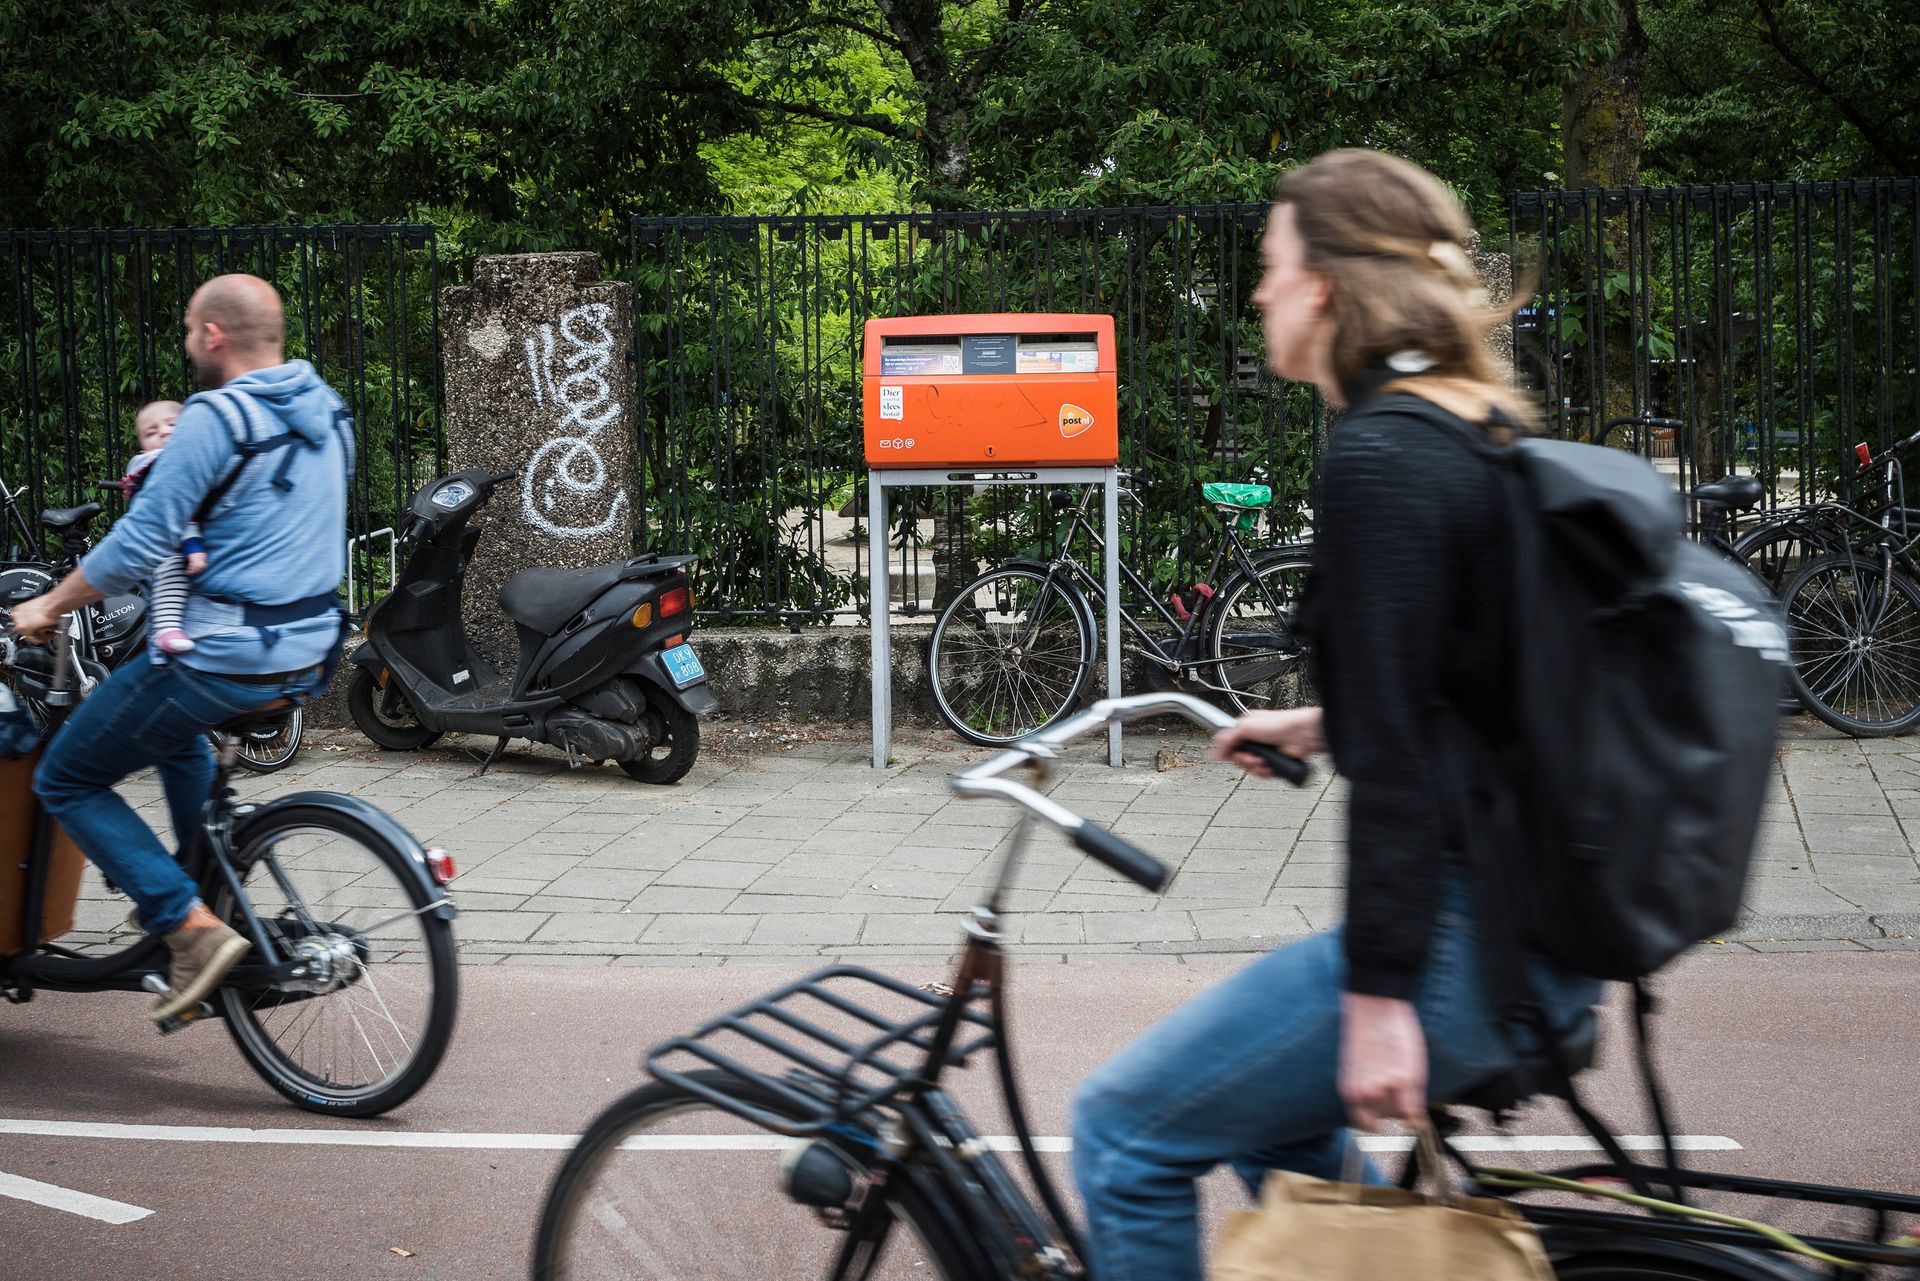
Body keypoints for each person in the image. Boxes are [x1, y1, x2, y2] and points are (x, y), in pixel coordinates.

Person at [1068, 149, 1604, 1280]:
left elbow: (1406, 765)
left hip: (1461, 944)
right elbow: (1466, 685)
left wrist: (1377, 1001)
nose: (1259, 290)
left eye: (1272, 264)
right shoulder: (1469, 427)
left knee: (1123, 1133)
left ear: (1324, 286)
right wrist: (1322, 722)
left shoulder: (1384, 455)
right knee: (1279, 1139)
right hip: (1536, 930)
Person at [11, 273, 353, 1024]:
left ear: (214, 335)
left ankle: (189, 927)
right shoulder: (327, 409)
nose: (189, 343)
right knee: (171, 738)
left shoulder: (216, 417)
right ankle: (212, 901)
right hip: (310, 651)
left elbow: (140, 543)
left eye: (191, 331)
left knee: (67, 776)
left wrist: (47, 603)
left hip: (222, 657)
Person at [122, 399, 207, 655]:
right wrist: (192, 546)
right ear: (143, 445)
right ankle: (167, 629)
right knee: (172, 572)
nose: (163, 432)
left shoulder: (179, 459)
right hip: (165, 541)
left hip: (166, 535)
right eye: (151, 432)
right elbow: (177, 511)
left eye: (172, 424)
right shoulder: (159, 464)